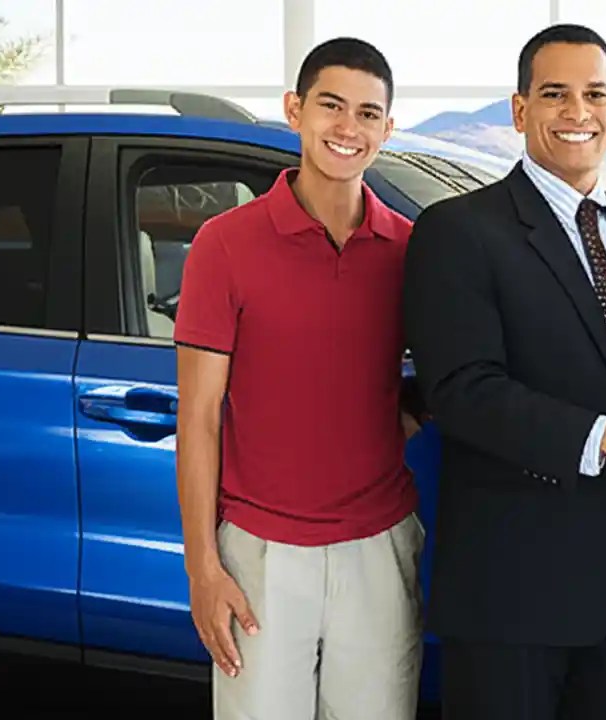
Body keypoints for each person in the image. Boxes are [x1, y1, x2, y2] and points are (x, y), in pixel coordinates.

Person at [402, 23, 606, 720]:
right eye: (555, 94)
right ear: (519, 110)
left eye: (595, 94)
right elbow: (462, 391)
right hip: (511, 598)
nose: (578, 112)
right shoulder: (459, 230)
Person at [174, 38, 425, 720]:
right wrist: (204, 569)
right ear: (295, 110)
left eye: (369, 113)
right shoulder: (224, 244)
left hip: (378, 546)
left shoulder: (410, 249)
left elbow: (456, 370)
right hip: (259, 553)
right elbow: (197, 415)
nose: (349, 128)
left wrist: (395, 416)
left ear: (387, 129)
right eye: (331, 106)